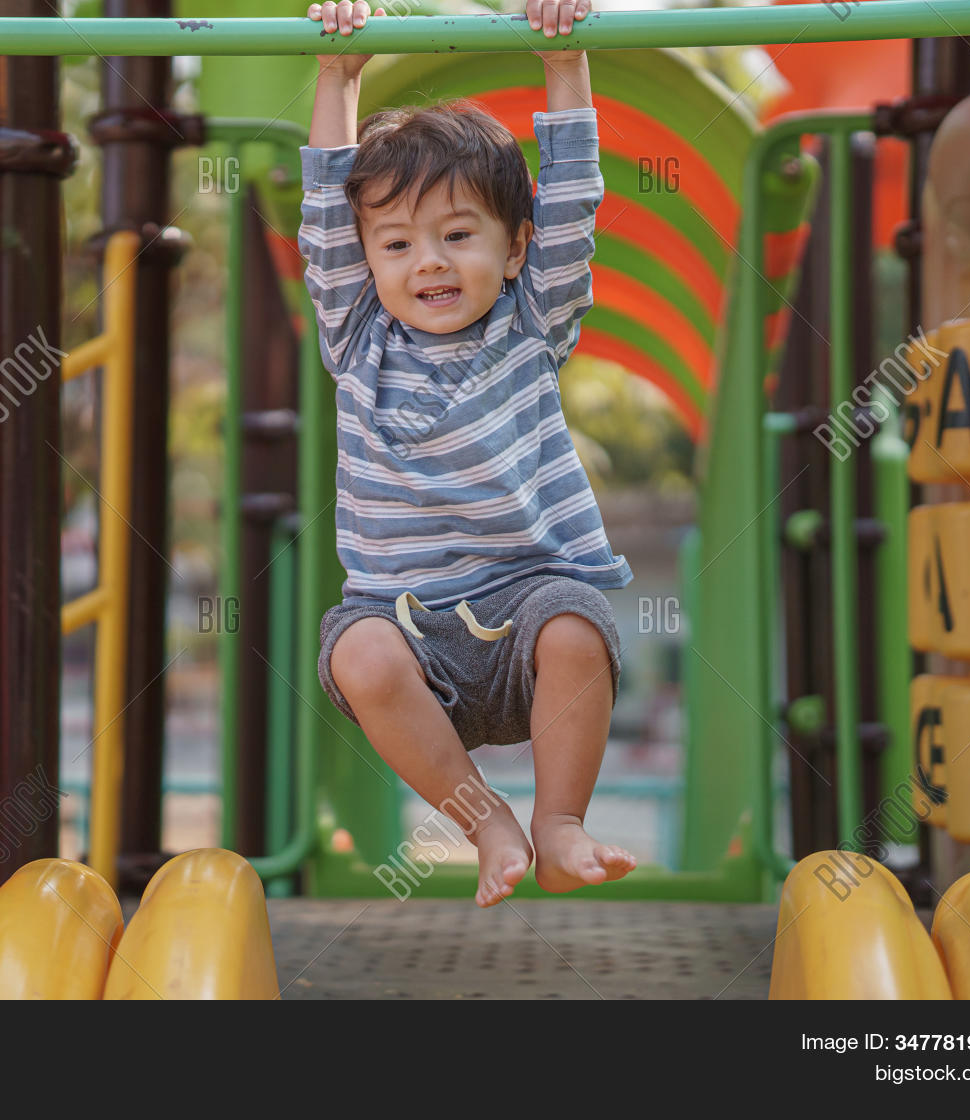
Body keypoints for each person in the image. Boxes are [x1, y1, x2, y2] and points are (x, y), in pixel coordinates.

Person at [300, 0, 638, 906]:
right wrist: (339, 75)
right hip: (407, 623)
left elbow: (572, 203)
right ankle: (483, 818)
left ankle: (559, 821)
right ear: (368, 261)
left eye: (458, 236)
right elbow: (328, 215)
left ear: (515, 247)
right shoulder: (356, 334)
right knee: (358, 658)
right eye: (399, 245)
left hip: (527, 601)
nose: (429, 263)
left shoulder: (534, 323)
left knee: (577, 629)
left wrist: (562, 61)